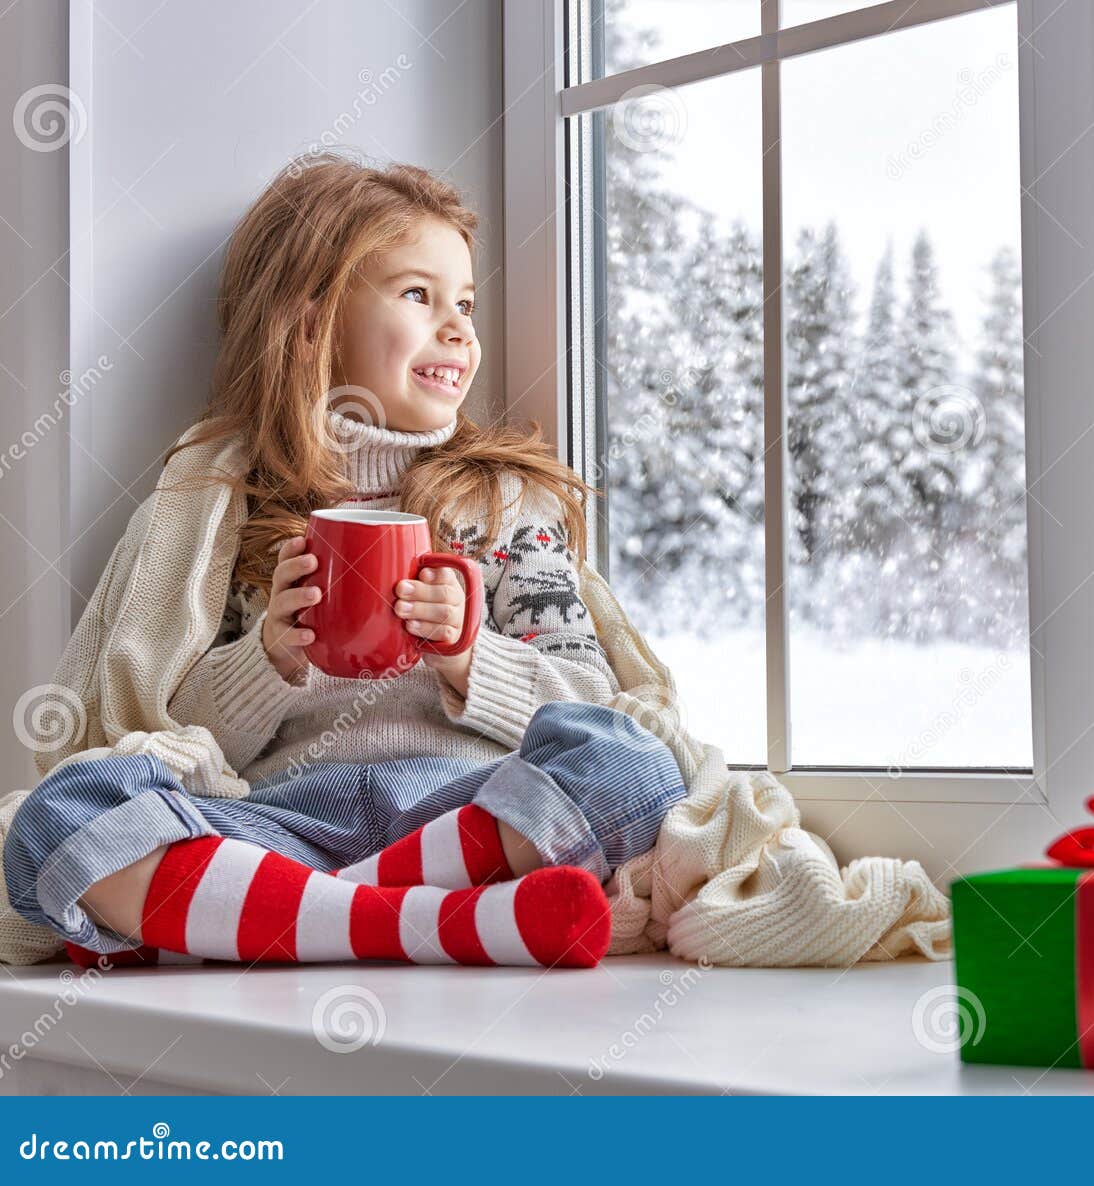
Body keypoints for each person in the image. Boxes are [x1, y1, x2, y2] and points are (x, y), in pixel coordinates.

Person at [3, 151, 687, 971]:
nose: (461, 328)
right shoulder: (231, 513)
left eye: (465, 301)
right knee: (61, 816)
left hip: (467, 808)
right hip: (289, 820)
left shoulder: (505, 505)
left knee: (636, 769)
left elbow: (591, 700)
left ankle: (312, 921)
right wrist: (264, 663)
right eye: (418, 295)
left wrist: (473, 660)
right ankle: (433, 922)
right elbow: (167, 726)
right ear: (311, 321)